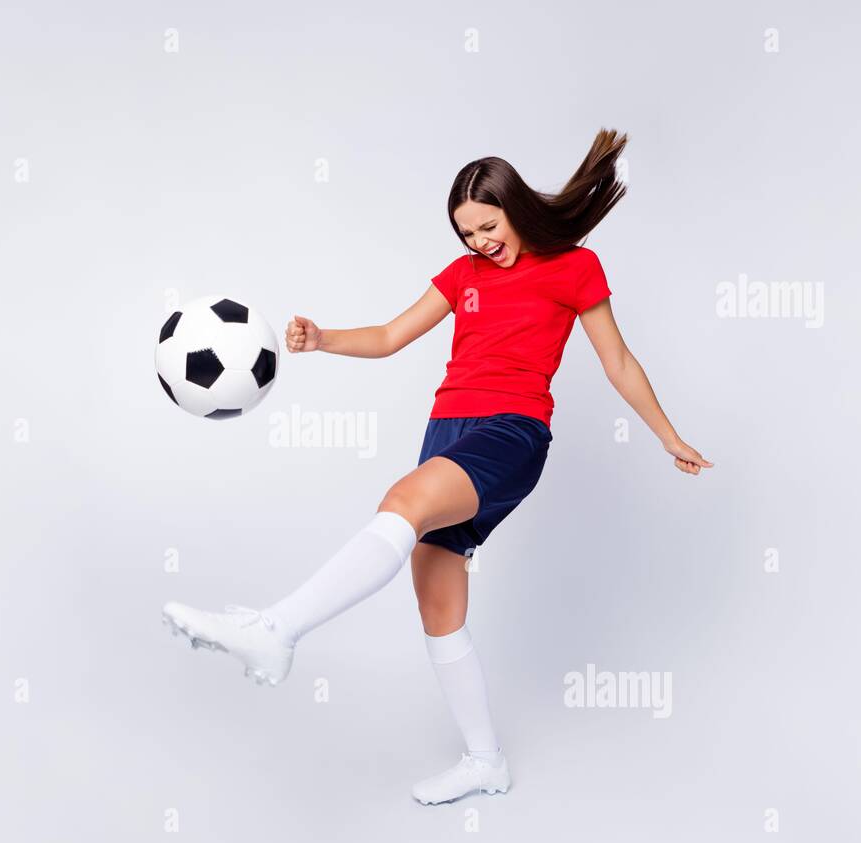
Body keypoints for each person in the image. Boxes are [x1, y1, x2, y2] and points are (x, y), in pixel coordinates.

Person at [161, 129, 713, 805]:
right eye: (466, 233)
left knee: (403, 500)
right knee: (438, 602)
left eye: (488, 225)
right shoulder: (464, 277)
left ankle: (274, 630)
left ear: (514, 208)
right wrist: (323, 339)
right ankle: (486, 761)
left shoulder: (574, 267)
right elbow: (393, 336)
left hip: (512, 432)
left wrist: (667, 435)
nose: (480, 242)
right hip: (446, 430)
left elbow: (618, 363)